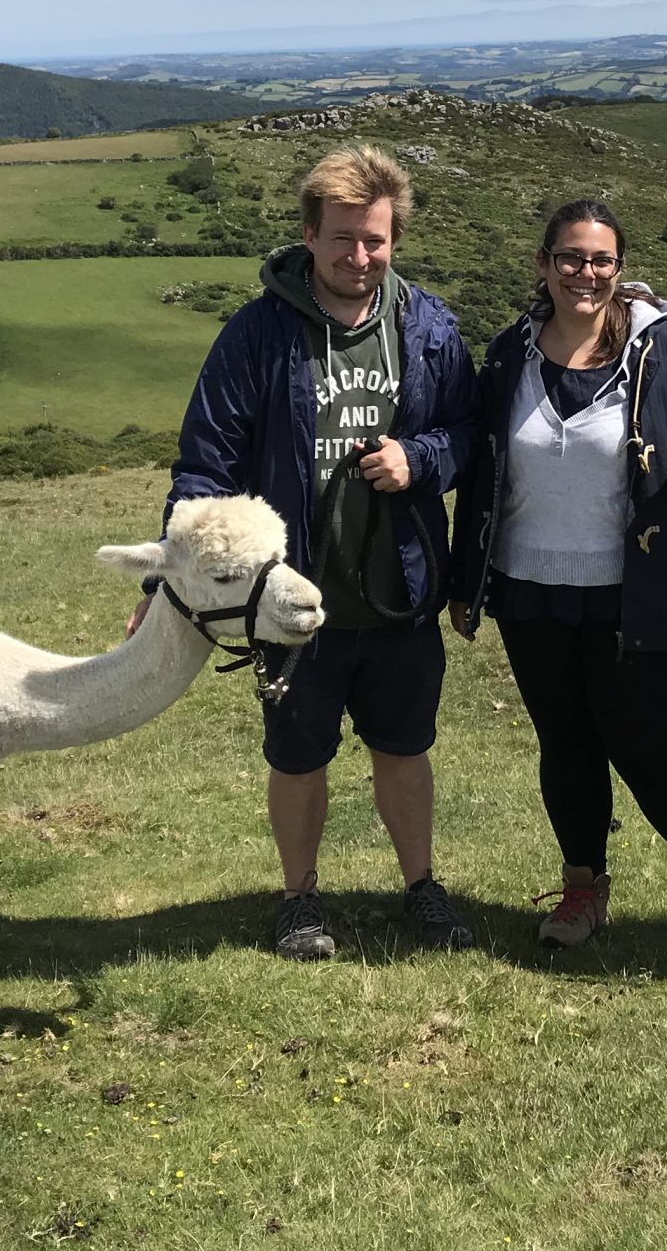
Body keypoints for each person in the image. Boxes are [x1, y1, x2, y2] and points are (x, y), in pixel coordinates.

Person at [161, 144, 477, 960]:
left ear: (394, 238)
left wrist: (423, 460)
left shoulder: (430, 328)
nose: (359, 257)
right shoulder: (258, 335)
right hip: (292, 604)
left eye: (375, 240)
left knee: (404, 748)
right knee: (298, 755)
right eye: (342, 238)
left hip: (398, 593)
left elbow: (466, 435)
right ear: (309, 235)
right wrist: (175, 569)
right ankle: (300, 900)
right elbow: (206, 461)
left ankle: (421, 887)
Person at [448, 198, 667, 963]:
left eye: (600, 261)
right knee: (566, 743)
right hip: (530, 586)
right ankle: (583, 888)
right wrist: (466, 577)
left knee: (649, 746)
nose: (584, 274)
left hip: (635, 588)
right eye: (569, 259)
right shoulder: (508, 354)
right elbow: (481, 464)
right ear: (544, 264)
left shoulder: (665, 351)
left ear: (619, 271)